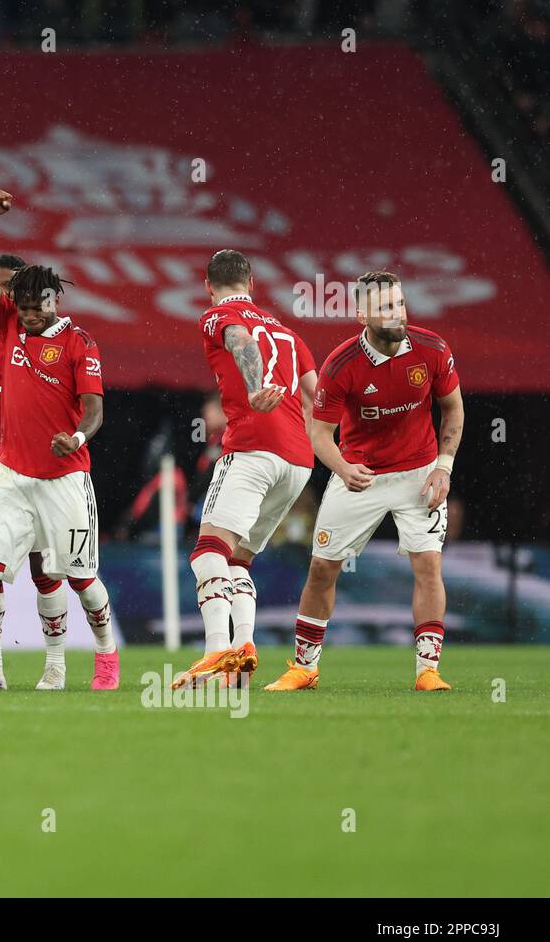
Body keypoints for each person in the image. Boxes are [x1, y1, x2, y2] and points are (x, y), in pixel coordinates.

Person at [267, 272, 463, 692]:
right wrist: (342, 468)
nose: (397, 314)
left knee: (428, 564)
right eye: (385, 307)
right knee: (322, 568)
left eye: (400, 304)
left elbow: (453, 409)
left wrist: (443, 466)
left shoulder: (432, 349)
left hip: (419, 474)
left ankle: (428, 671)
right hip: (360, 475)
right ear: (362, 315)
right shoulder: (341, 365)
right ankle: (304, 668)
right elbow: (320, 434)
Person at [0, 188, 119, 692]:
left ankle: (105, 655)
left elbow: (94, 410)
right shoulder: (8, 322)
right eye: (22, 308)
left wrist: (77, 435)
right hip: (10, 475)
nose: (28, 316)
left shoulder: (79, 344)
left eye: (35, 308)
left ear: (55, 300)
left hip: (64, 480)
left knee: (81, 579)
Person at [172, 249, 317, 690]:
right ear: (252, 283)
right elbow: (318, 395)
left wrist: (255, 390)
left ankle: (217, 648)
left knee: (207, 551)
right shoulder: (288, 333)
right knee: (239, 560)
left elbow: (240, 340)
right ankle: (242, 655)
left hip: (252, 447)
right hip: (298, 461)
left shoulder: (217, 316)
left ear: (207, 286)